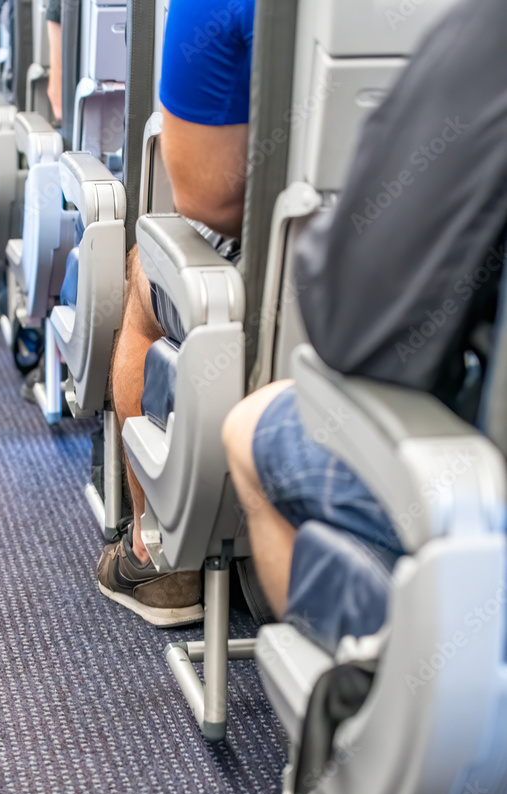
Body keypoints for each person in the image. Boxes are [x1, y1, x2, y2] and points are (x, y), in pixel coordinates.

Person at [222, 0, 507, 630]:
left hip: (484, 516)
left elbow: (350, 328)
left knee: (249, 425)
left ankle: (357, 711)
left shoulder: (486, 38)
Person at [96, 0, 255, 625]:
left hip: (284, 277)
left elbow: (207, 198)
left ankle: (156, 554)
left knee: (144, 269)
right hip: (443, 273)